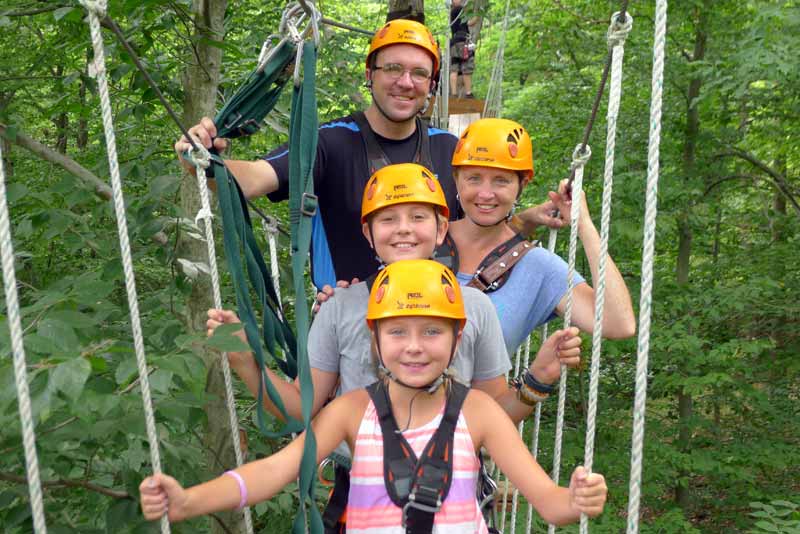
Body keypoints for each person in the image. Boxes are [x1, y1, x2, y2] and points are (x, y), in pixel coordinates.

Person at [140, 260, 608, 530]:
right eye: (398, 332)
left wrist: (576, 499)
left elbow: (547, 501)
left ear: (456, 339)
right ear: (375, 340)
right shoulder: (350, 411)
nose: (414, 347)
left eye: (431, 332)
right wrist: (189, 502)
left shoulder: (479, 411)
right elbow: (276, 470)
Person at [175, 19, 563, 289]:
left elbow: (470, 236)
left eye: (419, 74)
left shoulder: (449, 148)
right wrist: (202, 161)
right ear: (369, 73)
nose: (405, 83)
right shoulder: (329, 141)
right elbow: (256, 178)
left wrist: (527, 220)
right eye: (392, 68)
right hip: (349, 328)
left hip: (433, 330)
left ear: (431, 85)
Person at [208, 163, 580, 428]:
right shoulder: (339, 308)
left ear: (440, 230)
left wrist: (537, 380)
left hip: (454, 494)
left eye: (418, 217)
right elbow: (299, 409)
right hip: (360, 495)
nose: (403, 230)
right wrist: (246, 361)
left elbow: (493, 417)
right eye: (388, 219)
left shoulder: (475, 308)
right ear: (369, 235)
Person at [445, 118, 637, 354]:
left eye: (501, 180)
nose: (485, 194)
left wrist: (583, 224)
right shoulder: (422, 242)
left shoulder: (537, 267)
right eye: (474, 178)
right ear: (456, 180)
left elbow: (619, 323)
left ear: (521, 185)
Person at [450, 0, 478, 98]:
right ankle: (468, 93)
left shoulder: (452, 13)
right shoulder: (460, 10)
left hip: (453, 43)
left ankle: (453, 94)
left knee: (454, 68)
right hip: (463, 42)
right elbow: (471, 22)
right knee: (467, 67)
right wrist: (478, 13)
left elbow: (467, 23)